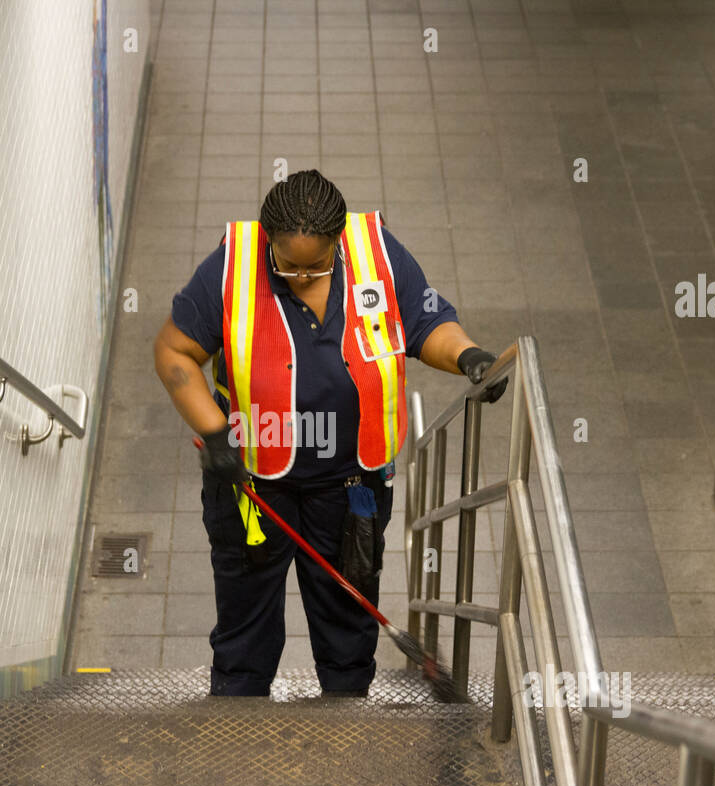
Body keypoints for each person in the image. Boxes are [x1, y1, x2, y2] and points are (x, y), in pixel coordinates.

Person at [152, 169, 505, 697]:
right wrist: (215, 432)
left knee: (346, 620)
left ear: (337, 241)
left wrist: (468, 356)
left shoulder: (376, 253)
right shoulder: (231, 266)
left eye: (315, 265)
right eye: (286, 264)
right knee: (245, 616)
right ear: (268, 239)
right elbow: (173, 352)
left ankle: (346, 716)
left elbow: (427, 324)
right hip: (253, 487)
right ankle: (239, 710)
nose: (299, 276)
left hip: (351, 489)